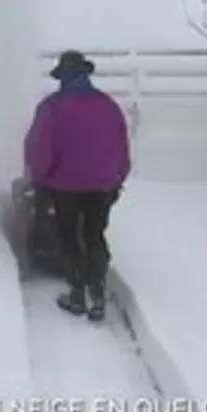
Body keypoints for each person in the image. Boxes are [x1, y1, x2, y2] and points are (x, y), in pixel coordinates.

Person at [23, 50, 131, 320]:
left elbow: (39, 147)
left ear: (63, 77)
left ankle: (77, 294)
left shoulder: (52, 107)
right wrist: (118, 178)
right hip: (103, 184)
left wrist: (40, 178)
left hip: (65, 185)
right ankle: (98, 295)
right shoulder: (108, 105)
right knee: (95, 235)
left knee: (69, 236)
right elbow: (122, 146)